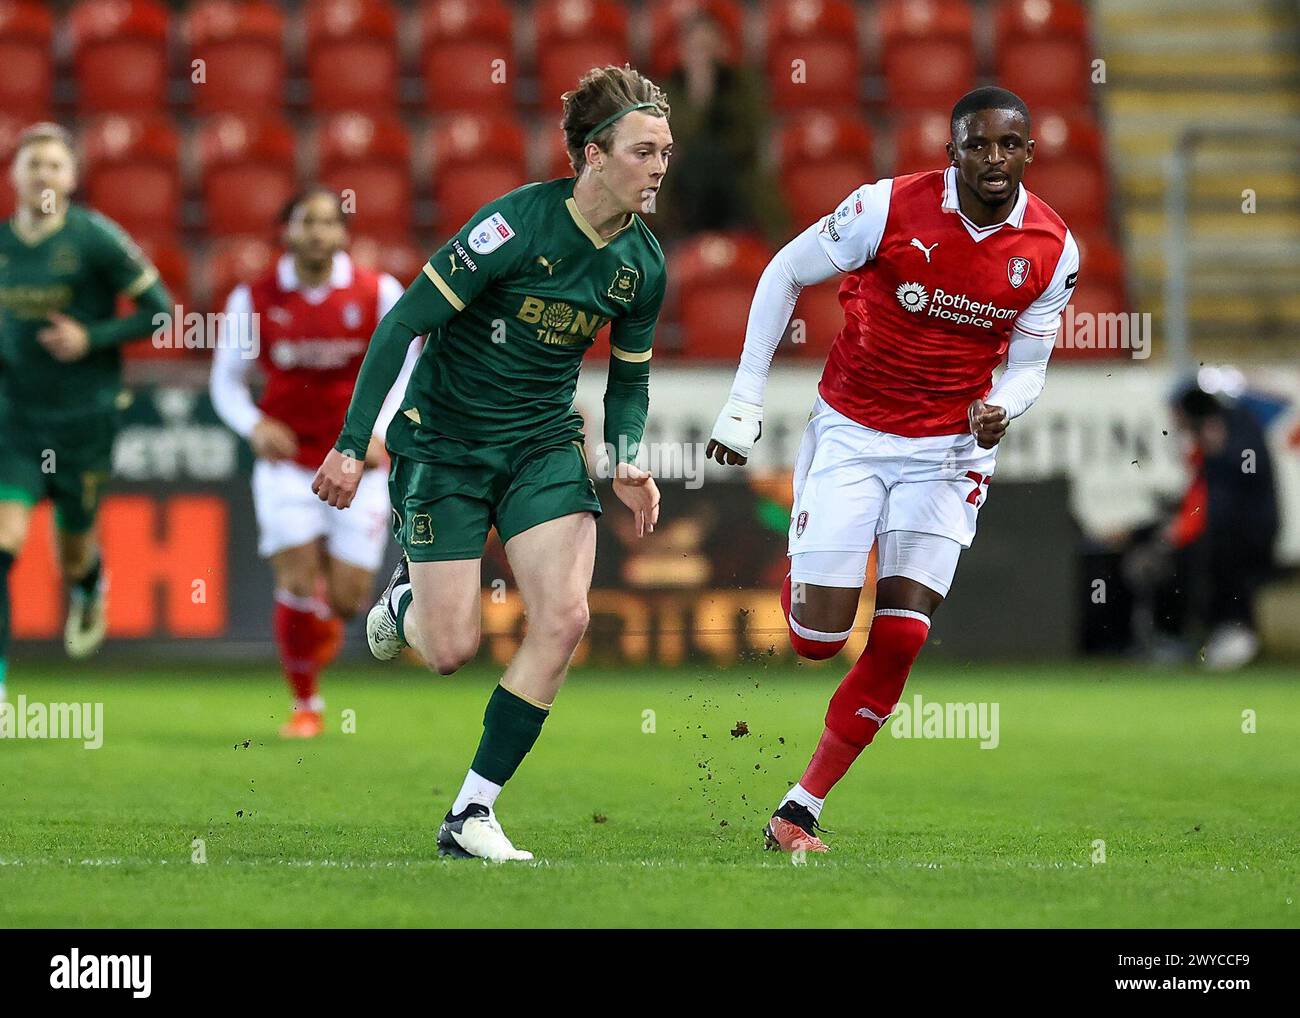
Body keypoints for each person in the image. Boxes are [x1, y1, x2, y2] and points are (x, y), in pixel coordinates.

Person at [312, 65, 671, 861]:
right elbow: (404, 320)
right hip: (444, 444)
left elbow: (631, 376)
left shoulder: (642, 265)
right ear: (594, 155)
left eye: (666, 153)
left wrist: (625, 458)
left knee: (567, 617)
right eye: (644, 151)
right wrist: (348, 442)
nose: (658, 168)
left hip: (542, 445)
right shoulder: (514, 227)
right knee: (448, 652)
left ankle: (471, 812)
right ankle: (405, 601)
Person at [707, 87, 1080, 852]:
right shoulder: (884, 208)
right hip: (852, 431)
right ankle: (810, 561)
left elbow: (1031, 365)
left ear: (1029, 152)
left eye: (1011, 145)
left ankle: (799, 808)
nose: (995, 159)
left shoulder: (1053, 249)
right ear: (952, 152)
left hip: (949, 452)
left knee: (904, 634)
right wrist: (745, 401)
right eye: (979, 145)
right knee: (815, 639)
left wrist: (1003, 405)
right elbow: (782, 272)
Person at [209, 187, 418, 737]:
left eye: (329, 223)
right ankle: (307, 704)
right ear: (288, 232)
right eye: (308, 222)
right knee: (297, 579)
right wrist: (253, 424)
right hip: (289, 462)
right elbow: (225, 380)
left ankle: (319, 625)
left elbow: (407, 368)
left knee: (349, 601)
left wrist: (380, 432)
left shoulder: (378, 291)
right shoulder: (253, 297)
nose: (319, 233)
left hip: (358, 462)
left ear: (343, 234)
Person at [0, 122, 172, 704]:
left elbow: (160, 311)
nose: (42, 174)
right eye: (32, 164)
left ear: (70, 178)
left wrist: (91, 337)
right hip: (15, 422)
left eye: (53, 165)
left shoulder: (96, 239)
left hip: (83, 421)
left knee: (74, 552)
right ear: (15, 175)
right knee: (3, 545)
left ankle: (89, 588)